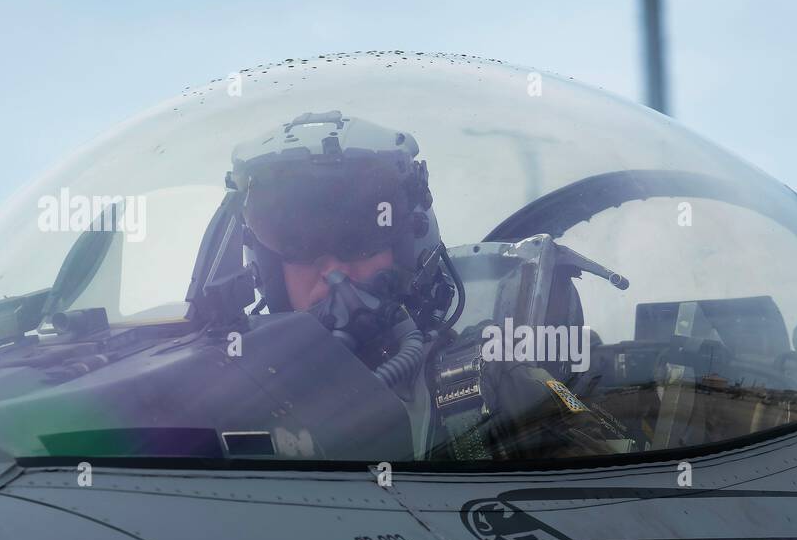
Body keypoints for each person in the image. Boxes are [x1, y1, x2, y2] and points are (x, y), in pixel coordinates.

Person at [229, 110, 627, 461]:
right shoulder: (238, 393)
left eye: (358, 241)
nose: (334, 270)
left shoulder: (495, 383)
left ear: (410, 248)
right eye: (300, 247)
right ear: (267, 268)